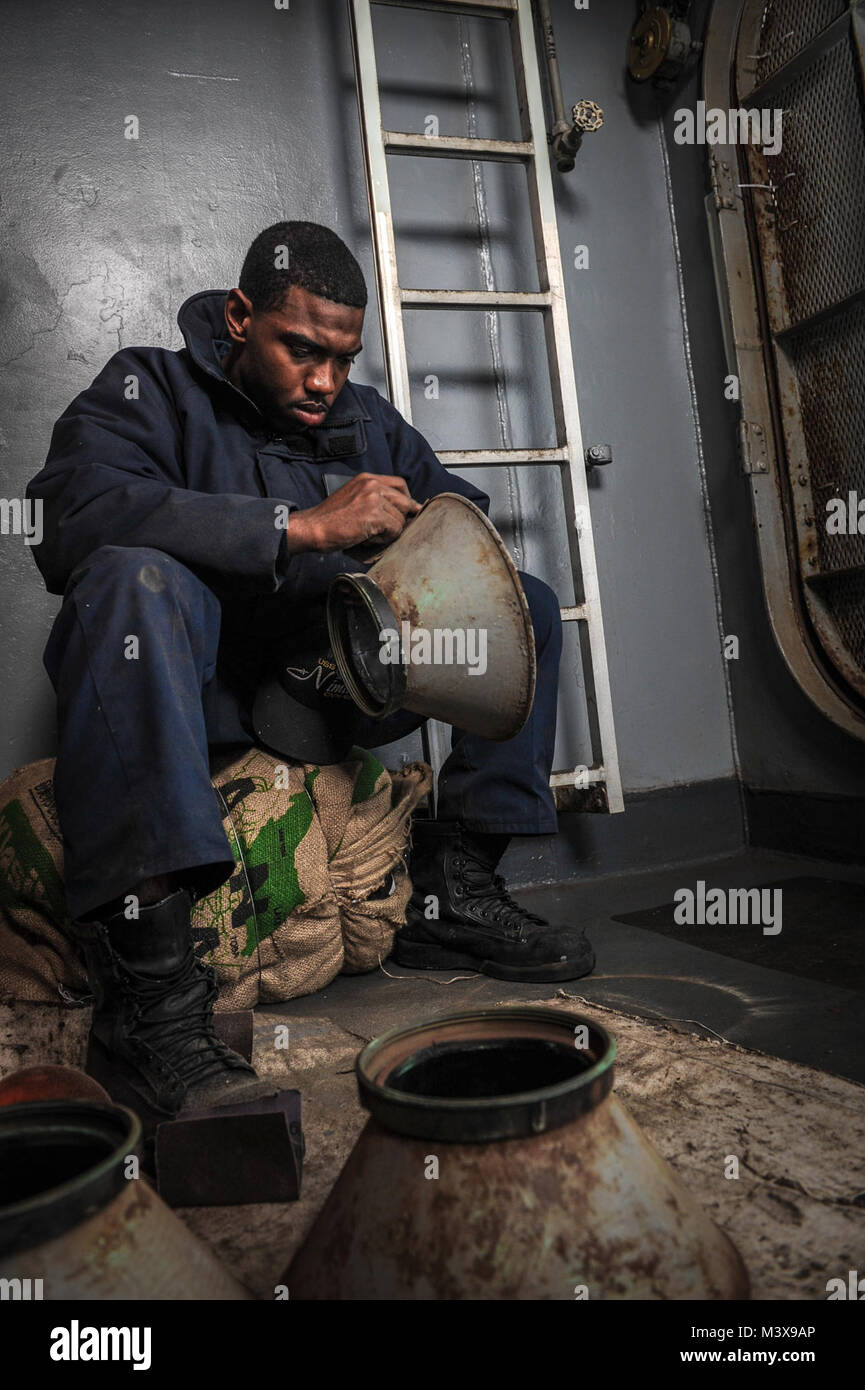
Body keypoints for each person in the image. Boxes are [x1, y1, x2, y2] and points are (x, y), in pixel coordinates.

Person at [26, 221, 595, 1125]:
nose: (324, 382)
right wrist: (298, 528)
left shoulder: (364, 418)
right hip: (196, 692)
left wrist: (403, 563)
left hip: (333, 690)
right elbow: (66, 517)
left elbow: (462, 531)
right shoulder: (149, 388)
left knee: (518, 601)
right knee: (128, 580)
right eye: (302, 351)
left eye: (342, 357)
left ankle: (455, 894)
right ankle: (155, 1003)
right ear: (243, 317)